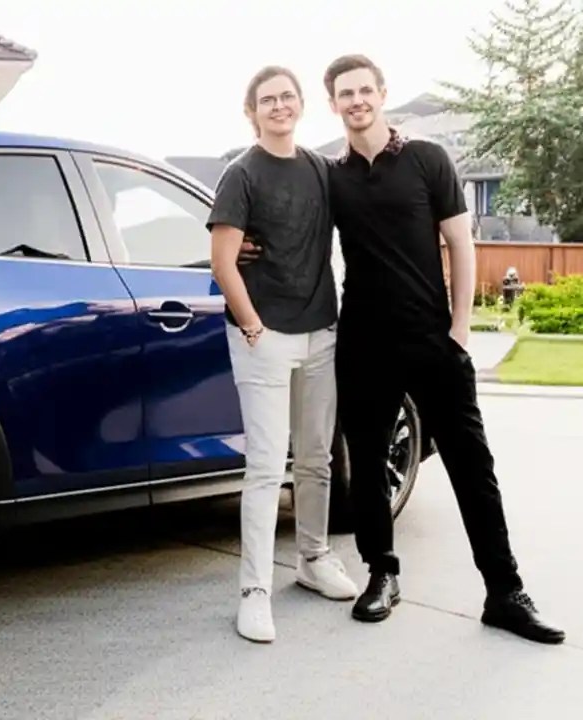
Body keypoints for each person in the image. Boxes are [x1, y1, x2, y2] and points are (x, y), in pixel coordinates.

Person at [321, 53, 564, 644]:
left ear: (382, 93)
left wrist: (460, 330)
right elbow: (288, 225)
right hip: (364, 343)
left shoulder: (428, 160)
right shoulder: (332, 177)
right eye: (344, 94)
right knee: (369, 467)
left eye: (364, 90)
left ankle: (504, 592)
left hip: (433, 338)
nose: (356, 101)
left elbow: (461, 241)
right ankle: (382, 575)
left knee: (472, 469)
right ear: (333, 105)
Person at [207, 65, 359, 644]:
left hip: (322, 332)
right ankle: (253, 591)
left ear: (302, 106)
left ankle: (314, 559)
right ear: (252, 112)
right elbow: (224, 262)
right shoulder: (240, 175)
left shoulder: (321, 169)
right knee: (268, 469)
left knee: (317, 459)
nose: (278, 106)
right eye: (267, 99)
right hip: (264, 338)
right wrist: (252, 328)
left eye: (287, 97)